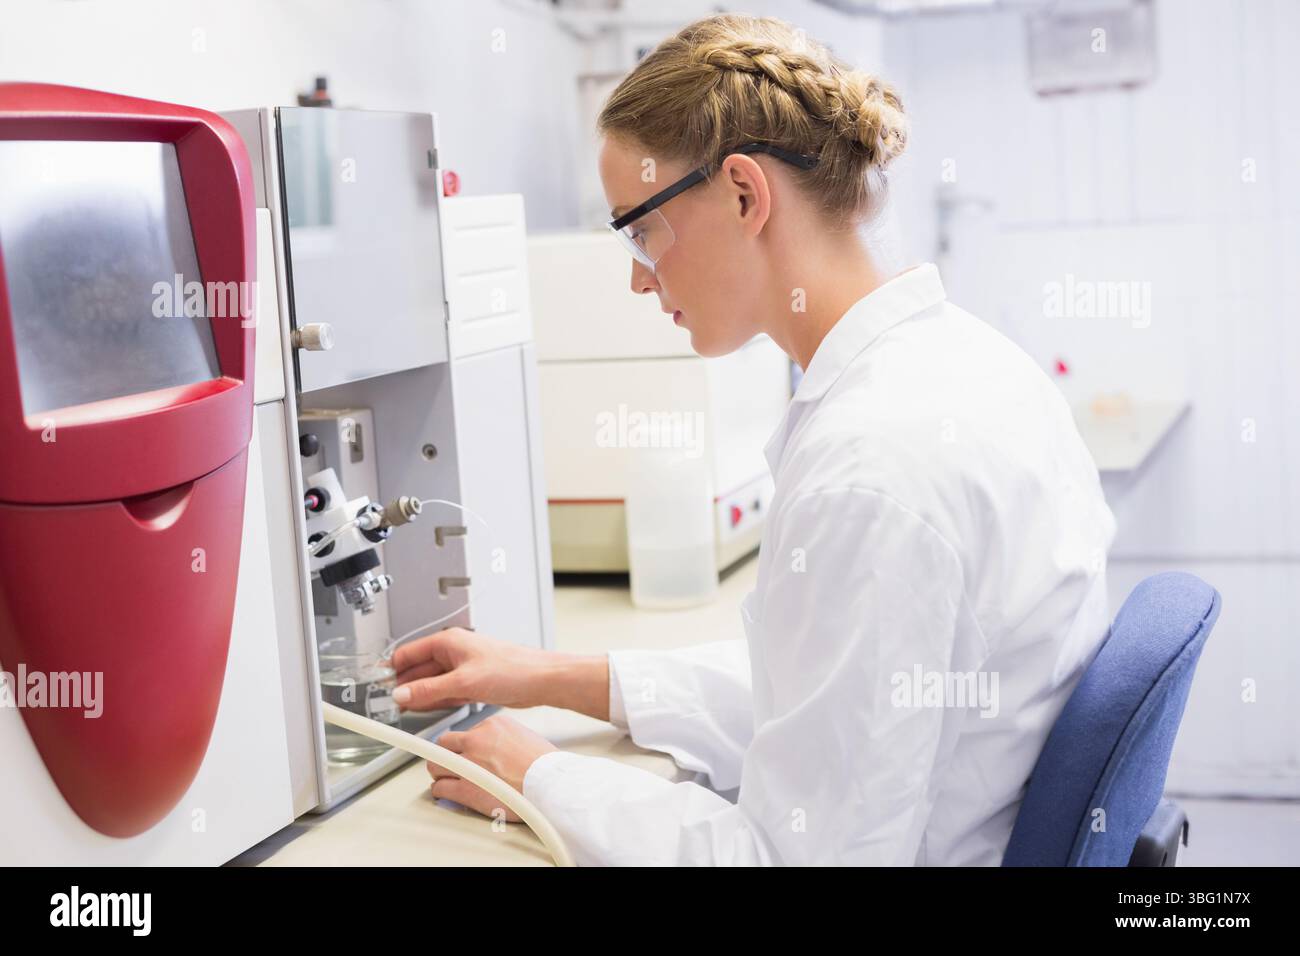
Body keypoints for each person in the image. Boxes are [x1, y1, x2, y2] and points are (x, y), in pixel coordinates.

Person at [388, 13, 1116, 866]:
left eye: (639, 227)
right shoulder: (965, 365)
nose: (634, 274)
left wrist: (541, 776)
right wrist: (552, 676)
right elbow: (821, 699)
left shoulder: (875, 469)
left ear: (743, 194)